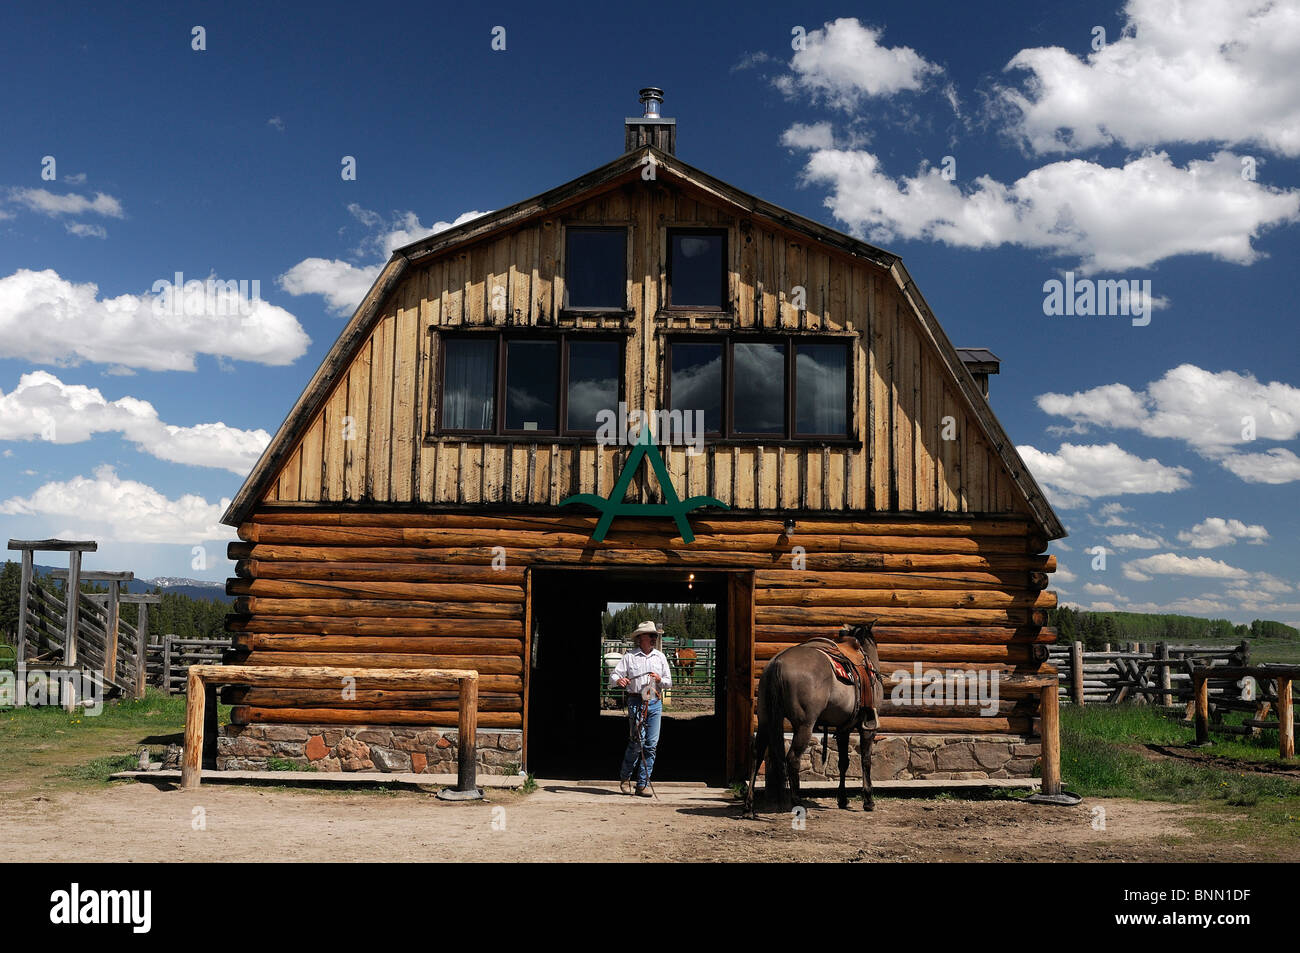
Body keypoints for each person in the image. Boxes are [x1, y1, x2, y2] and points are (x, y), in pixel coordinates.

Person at [609, 620, 672, 796]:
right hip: (636, 701)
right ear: (640, 638)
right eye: (650, 635)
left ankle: (643, 784)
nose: (653, 638)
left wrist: (660, 680)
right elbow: (614, 675)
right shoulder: (630, 657)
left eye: (654, 636)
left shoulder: (660, 657)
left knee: (651, 744)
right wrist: (619, 680)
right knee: (637, 743)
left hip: (654, 702)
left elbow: (669, 682)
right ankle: (626, 778)